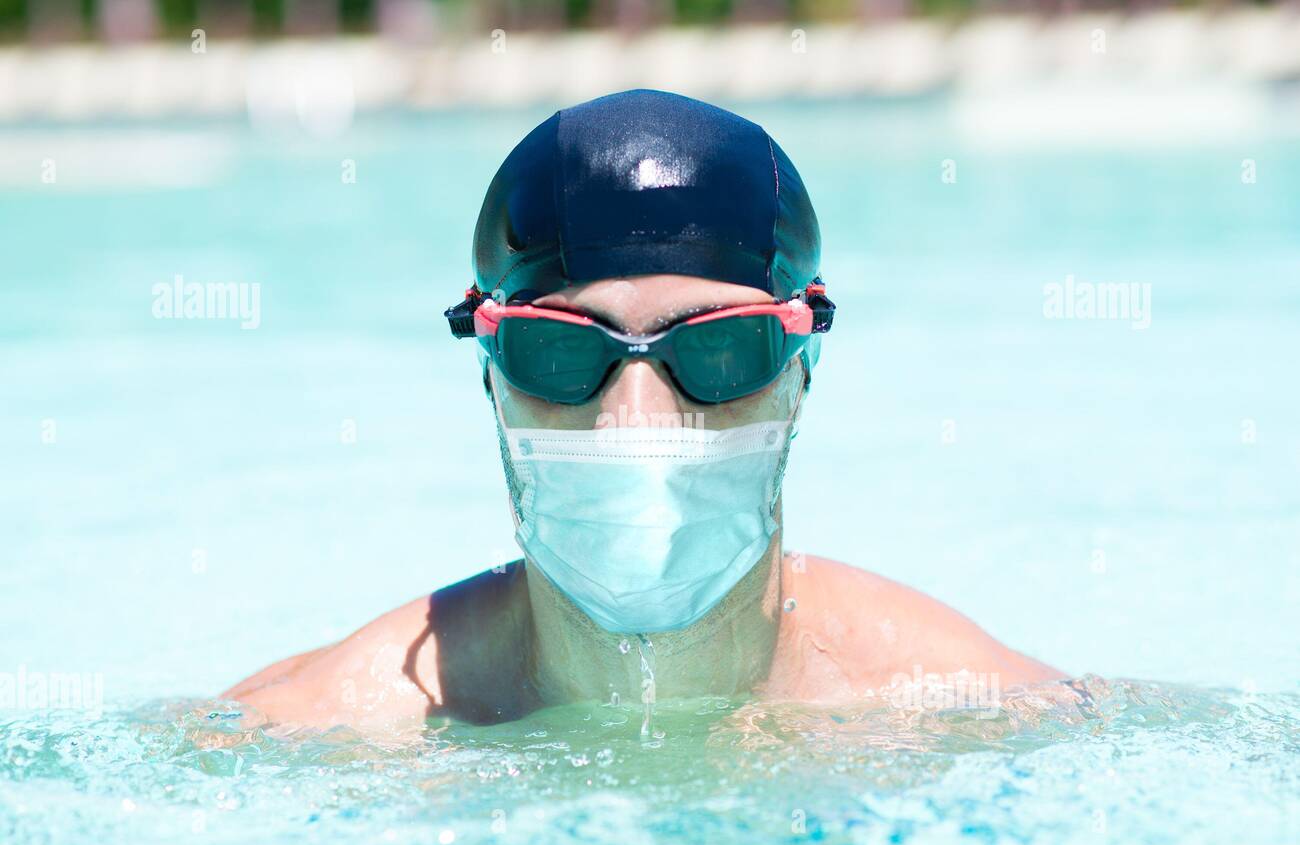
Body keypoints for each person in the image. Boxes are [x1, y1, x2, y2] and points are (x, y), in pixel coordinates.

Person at [226, 90, 1063, 731]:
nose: (636, 419)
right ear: (490, 377)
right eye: (558, 352)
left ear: (802, 370)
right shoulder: (323, 728)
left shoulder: (980, 713)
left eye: (718, 351)